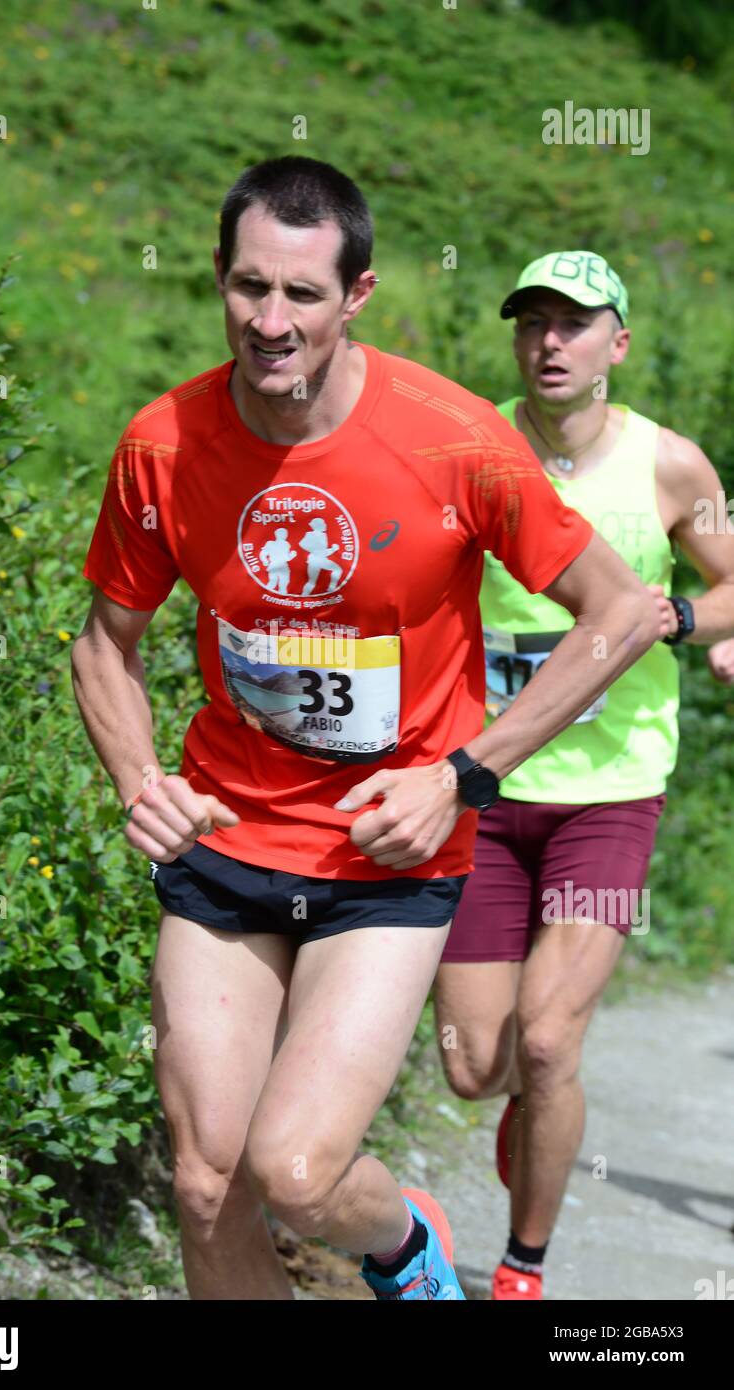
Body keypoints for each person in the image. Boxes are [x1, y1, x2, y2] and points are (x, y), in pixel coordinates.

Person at [71, 172, 658, 1301]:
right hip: (226, 842)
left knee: (294, 1169)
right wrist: (139, 779)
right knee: (205, 1182)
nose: (271, 321)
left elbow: (622, 610)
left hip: (386, 852)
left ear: (359, 296)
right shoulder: (164, 444)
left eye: (302, 291)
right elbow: (107, 643)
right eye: (249, 287)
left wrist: (466, 774)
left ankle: (405, 1248)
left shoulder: (456, 440)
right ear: (219, 281)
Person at [434, 250, 734, 1300]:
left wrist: (688, 619)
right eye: (533, 323)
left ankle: (522, 1270)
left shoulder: (669, 467)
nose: (549, 343)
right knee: (476, 1065)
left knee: (552, 1040)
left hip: (609, 798)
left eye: (574, 324)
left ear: (619, 344)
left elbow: (732, 577)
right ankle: (526, 1107)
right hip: (476, 787)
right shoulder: (468, 445)